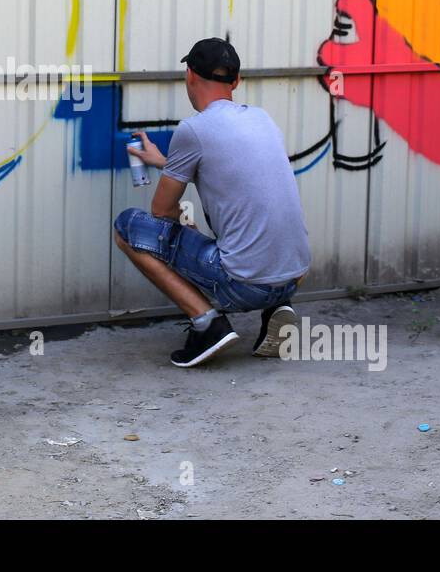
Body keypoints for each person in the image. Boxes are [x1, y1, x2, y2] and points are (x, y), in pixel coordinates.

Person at [113, 37, 312, 367]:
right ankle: (278, 307)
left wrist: (186, 227)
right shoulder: (262, 119)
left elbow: (161, 212)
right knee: (250, 233)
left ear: (190, 75)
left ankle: (208, 324)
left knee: (127, 226)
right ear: (236, 81)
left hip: (244, 285)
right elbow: (229, 170)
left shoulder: (194, 129)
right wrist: (166, 163)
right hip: (295, 273)